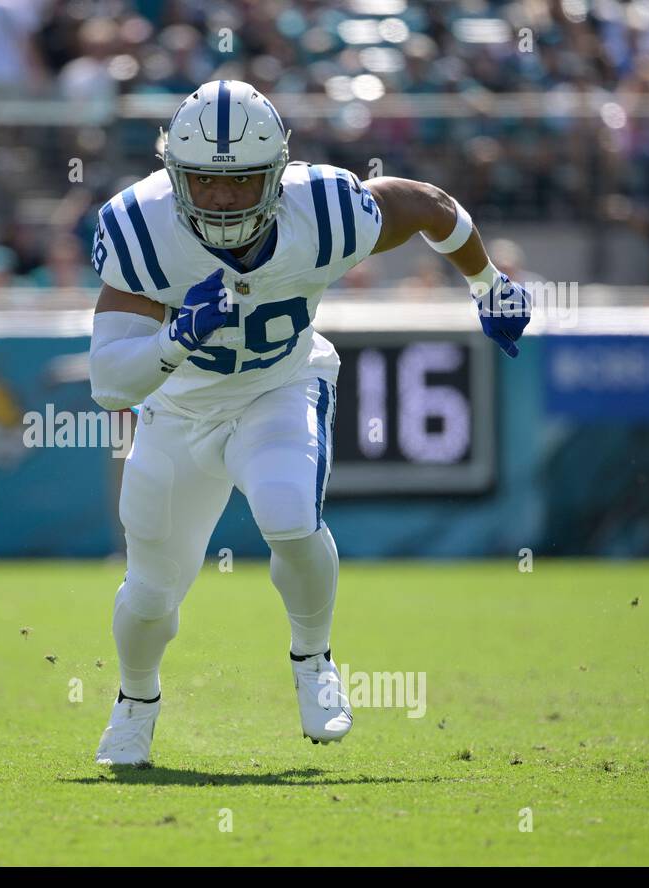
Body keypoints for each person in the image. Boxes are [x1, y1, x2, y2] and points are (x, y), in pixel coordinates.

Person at [87, 80, 531, 765]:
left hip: (279, 386)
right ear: (173, 175)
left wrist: (489, 283)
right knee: (149, 596)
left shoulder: (323, 209)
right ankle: (136, 702)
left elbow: (427, 207)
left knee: (290, 516)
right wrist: (179, 339)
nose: (226, 200)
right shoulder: (142, 228)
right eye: (206, 182)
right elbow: (110, 382)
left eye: (243, 182)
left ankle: (313, 659)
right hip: (177, 412)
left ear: (279, 173)